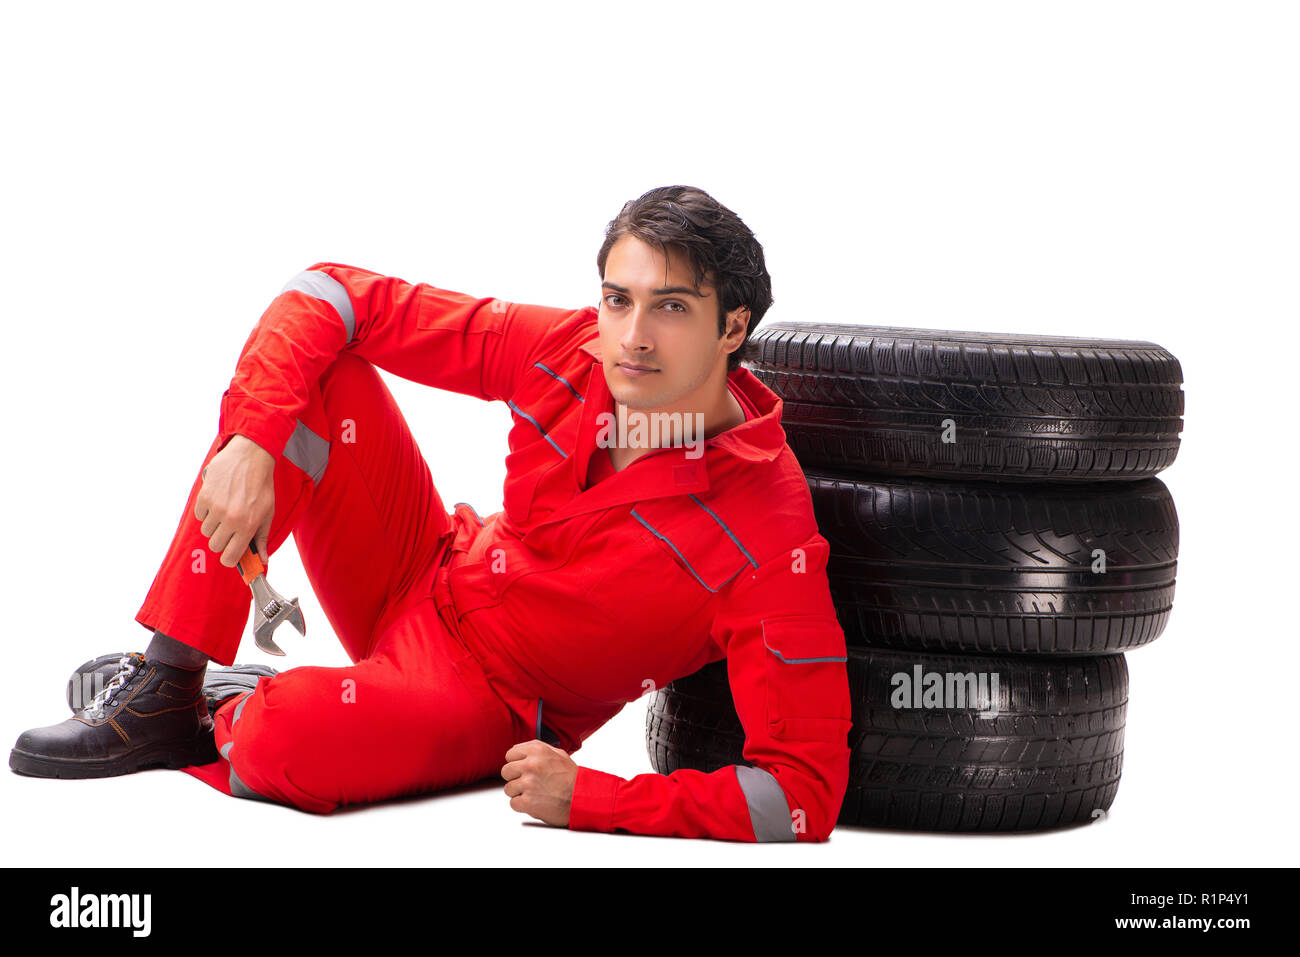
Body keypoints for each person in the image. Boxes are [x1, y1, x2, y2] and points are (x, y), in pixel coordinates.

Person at [10, 185, 853, 842]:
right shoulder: (566, 349)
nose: (630, 336)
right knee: (320, 384)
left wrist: (594, 797)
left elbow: (803, 793)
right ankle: (168, 684)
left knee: (283, 743)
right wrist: (250, 438)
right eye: (616, 298)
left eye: (670, 307)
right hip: (424, 563)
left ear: (732, 325)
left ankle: (243, 705)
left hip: (487, 698)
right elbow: (333, 292)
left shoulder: (768, 527)